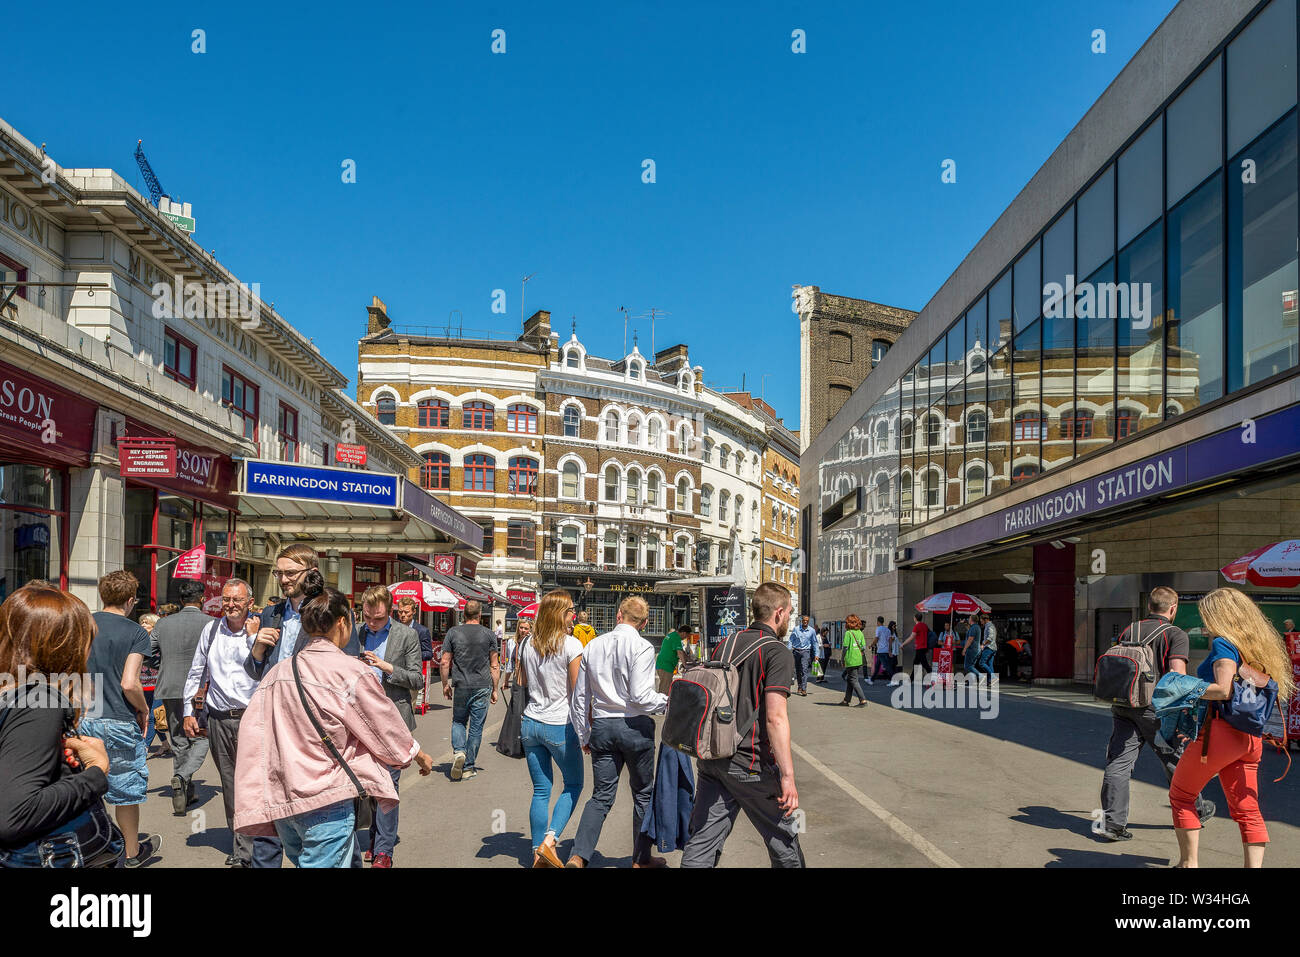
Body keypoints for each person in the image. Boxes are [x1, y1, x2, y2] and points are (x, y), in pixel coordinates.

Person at [234, 571, 434, 868]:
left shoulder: (279, 672)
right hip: (325, 798)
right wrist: (417, 754)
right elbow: (381, 723)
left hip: (286, 800)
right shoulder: (349, 670)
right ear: (342, 623)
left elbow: (254, 735)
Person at [681, 582, 805, 868]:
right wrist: (788, 775)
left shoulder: (727, 643)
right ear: (779, 612)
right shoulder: (777, 651)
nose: (788, 619)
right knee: (783, 839)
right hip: (751, 762)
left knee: (702, 840)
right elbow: (775, 716)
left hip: (713, 756)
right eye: (788, 613)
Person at [1167, 589, 1293, 868]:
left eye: (1207, 615)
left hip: (1219, 734)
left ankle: (1188, 864)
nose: (1205, 621)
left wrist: (1185, 687)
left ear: (1219, 616)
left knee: (1181, 795)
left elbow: (1223, 690)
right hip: (1250, 737)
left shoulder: (1224, 643)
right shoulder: (1257, 646)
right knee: (1248, 809)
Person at [0, 585, 123, 868]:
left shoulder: (14, 691)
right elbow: (13, 815)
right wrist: (95, 772)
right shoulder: (39, 701)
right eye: (85, 640)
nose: (88, 651)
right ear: (61, 645)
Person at [1099, 586, 1213, 842]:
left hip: (1124, 703)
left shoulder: (1131, 630)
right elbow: (1177, 675)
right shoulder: (1175, 634)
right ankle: (1195, 810)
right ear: (1173, 608)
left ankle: (1112, 824)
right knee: (1175, 760)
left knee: (1118, 762)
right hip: (1156, 709)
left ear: (1149, 606)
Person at [567, 596, 666, 868]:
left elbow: (580, 697)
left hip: (602, 725)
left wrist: (583, 734)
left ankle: (578, 855)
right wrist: (668, 702)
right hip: (634, 726)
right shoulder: (643, 647)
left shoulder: (594, 645)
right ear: (644, 623)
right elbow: (641, 696)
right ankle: (641, 859)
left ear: (619, 615)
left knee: (601, 795)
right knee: (643, 793)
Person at [185, 578, 278, 867]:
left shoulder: (262, 631)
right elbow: (197, 669)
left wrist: (253, 638)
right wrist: (189, 710)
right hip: (219, 718)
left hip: (255, 719)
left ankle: (264, 844)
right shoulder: (211, 630)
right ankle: (242, 849)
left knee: (258, 785)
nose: (231, 605)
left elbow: (263, 669)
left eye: (237, 600)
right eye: (226, 599)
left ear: (250, 603)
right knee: (230, 785)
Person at [340, 585, 423, 867]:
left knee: (387, 786)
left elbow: (416, 679)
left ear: (390, 611)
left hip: (392, 720)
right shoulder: (355, 632)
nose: (372, 623)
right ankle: (373, 837)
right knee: (363, 785)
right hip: (358, 719)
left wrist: (387, 667)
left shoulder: (407, 635)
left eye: (378, 618)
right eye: (368, 617)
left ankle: (384, 851)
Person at [80, 571, 159, 867]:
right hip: (117, 718)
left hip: (84, 716)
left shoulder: (83, 624)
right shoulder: (136, 632)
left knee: (87, 786)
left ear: (102, 596)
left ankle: (93, 846)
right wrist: (143, 708)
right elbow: (130, 683)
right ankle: (131, 852)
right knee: (125, 790)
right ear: (130, 600)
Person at [516, 590, 584, 868]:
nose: (574, 616)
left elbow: (520, 681)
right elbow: (577, 692)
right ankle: (549, 842)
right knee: (574, 784)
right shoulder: (571, 645)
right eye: (570, 611)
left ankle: (536, 853)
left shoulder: (526, 644)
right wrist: (586, 730)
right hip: (559, 724)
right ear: (559, 614)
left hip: (531, 721)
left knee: (541, 790)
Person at [148, 579, 213, 816]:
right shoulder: (212, 624)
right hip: (201, 691)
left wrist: (162, 664)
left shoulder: (163, 625)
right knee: (202, 737)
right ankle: (182, 777)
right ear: (202, 599)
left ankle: (184, 790)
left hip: (171, 686)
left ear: (181, 600)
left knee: (178, 738)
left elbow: (147, 652)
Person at [440, 600, 500, 781]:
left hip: (461, 685)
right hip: (482, 686)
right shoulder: (489, 634)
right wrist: (495, 689)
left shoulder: (453, 632)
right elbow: (495, 665)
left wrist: (445, 684)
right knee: (476, 727)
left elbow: (444, 661)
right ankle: (468, 767)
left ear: (463, 614)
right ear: (479, 614)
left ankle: (459, 752)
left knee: (459, 721)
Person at [246, 544, 319, 680]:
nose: (283, 580)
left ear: (312, 573)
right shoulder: (270, 613)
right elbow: (255, 673)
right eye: (279, 573)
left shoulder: (330, 614)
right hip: (274, 698)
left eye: (290, 573)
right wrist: (257, 650)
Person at [394, 597, 433, 708]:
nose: (403, 615)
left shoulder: (422, 631)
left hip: (411, 676)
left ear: (414, 612)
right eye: (400, 612)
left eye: (406, 612)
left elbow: (429, 653)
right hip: (394, 674)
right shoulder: (392, 627)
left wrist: (413, 655)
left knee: (408, 710)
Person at [840, 615, 869, 705]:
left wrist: (842, 659)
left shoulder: (848, 633)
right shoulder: (860, 632)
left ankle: (862, 700)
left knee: (853, 680)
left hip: (850, 659)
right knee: (850, 679)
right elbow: (863, 647)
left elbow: (845, 647)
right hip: (858, 659)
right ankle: (846, 700)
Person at [787, 615, 818, 696]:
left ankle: (804, 689)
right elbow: (791, 640)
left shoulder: (812, 631)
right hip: (796, 651)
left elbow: (815, 643)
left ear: (808, 622)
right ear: (802, 621)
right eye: (804, 620)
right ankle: (799, 686)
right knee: (798, 670)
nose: (805, 622)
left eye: (807, 621)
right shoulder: (796, 629)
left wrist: (816, 654)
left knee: (804, 670)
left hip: (806, 652)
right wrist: (789, 650)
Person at [656, 620, 685, 693]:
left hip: (662, 664)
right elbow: (680, 653)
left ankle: (665, 702)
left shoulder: (670, 636)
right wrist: (685, 664)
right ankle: (663, 704)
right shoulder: (676, 637)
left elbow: (681, 652)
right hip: (666, 666)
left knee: (665, 686)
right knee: (664, 689)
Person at [901, 612, 931, 677]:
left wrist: (903, 644)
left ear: (915, 618)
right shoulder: (925, 625)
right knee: (916, 663)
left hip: (920, 648)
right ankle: (911, 679)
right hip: (924, 647)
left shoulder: (917, 626)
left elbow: (911, 637)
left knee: (924, 664)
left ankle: (934, 677)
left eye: (914, 617)